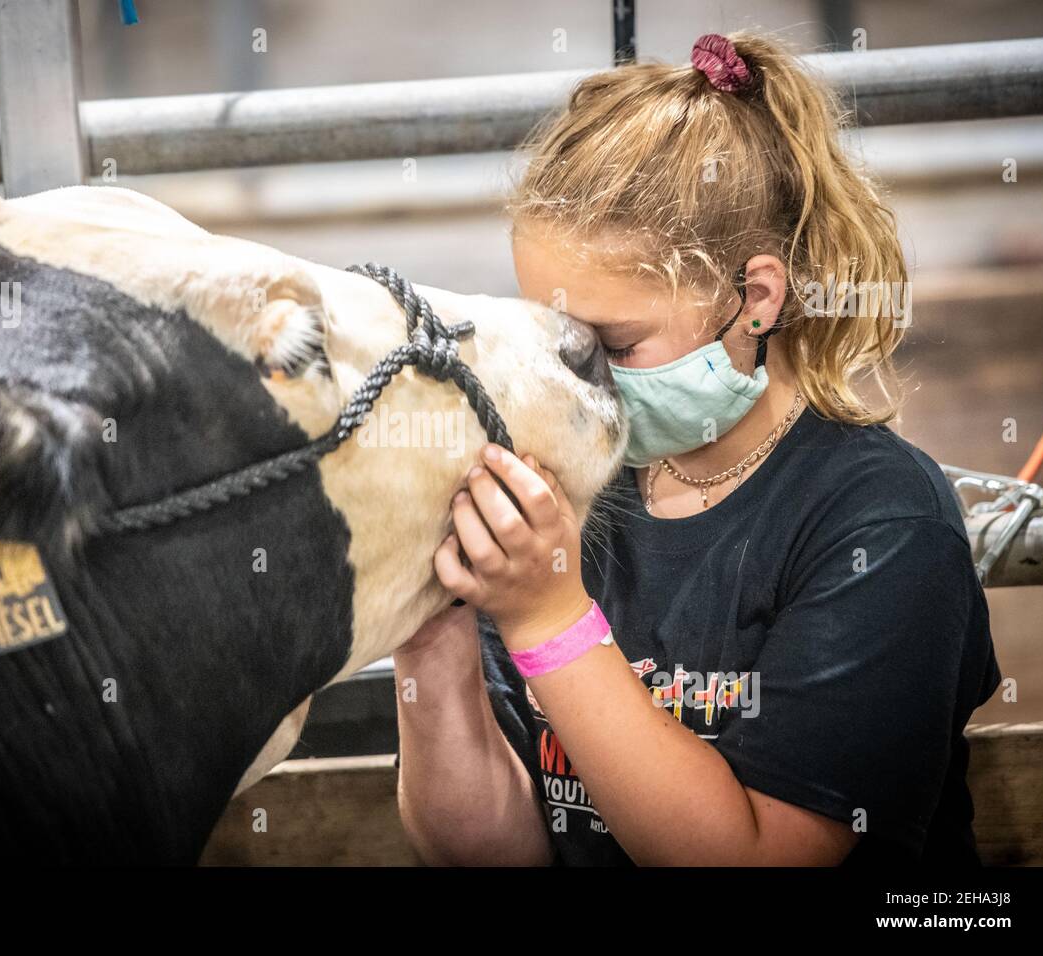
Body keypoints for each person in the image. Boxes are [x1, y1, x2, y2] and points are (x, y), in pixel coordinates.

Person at [392, 31, 1001, 866]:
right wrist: (433, 634)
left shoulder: (881, 524)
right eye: (563, 345)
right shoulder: (576, 493)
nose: (588, 384)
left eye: (618, 344)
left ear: (755, 300)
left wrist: (549, 616)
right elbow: (494, 851)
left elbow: (761, 856)